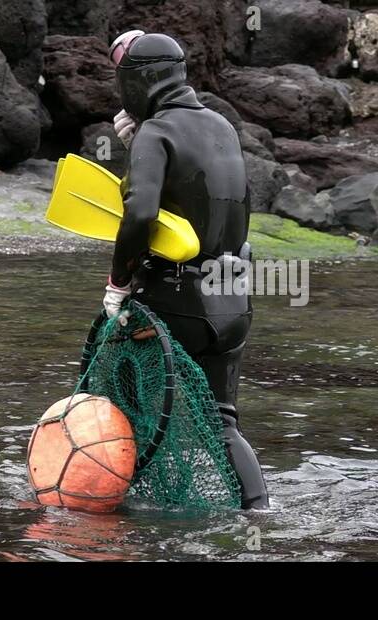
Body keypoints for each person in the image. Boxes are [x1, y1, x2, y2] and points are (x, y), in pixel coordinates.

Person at [101, 30, 269, 509]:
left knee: (120, 404)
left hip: (175, 301)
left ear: (139, 81)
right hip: (233, 300)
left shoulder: (156, 134)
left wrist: (118, 284)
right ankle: (259, 516)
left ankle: (105, 510)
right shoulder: (222, 126)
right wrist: (142, 142)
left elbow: (139, 216)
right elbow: (219, 201)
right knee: (222, 424)